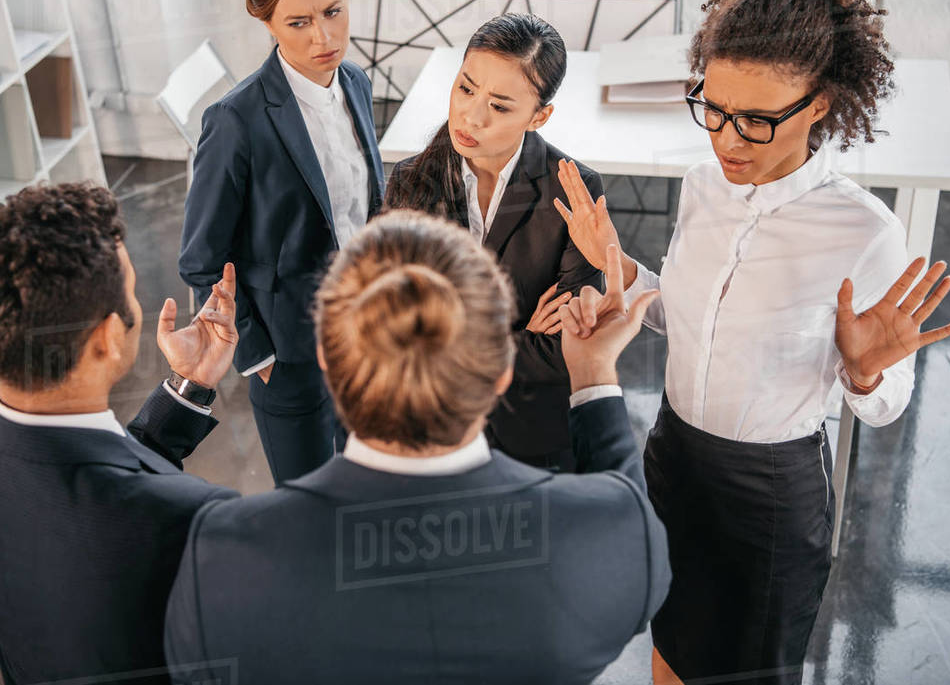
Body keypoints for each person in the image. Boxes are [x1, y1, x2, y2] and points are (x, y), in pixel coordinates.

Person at [553, 0, 950, 685]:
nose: (726, 139)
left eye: (755, 119)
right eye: (712, 110)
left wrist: (865, 372)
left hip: (767, 497)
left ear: (822, 104)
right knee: (669, 652)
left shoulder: (863, 230)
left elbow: (886, 405)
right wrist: (620, 268)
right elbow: (683, 319)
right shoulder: (702, 185)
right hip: (673, 460)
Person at [164, 211, 670, 685]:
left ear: (326, 360)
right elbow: (625, 517)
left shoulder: (224, 553)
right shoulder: (603, 536)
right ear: (502, 369)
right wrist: (593, 373)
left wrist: (185, 390)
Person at [0, 183, 243, 685]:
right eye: (132, 292)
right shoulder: (189, 521)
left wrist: (189, 384)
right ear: (108, 337)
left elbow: (80, 481)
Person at [179, 0, 385, 485]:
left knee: (366, 474)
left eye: (334, 11)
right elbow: (200, 259)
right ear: (266, 21)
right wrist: (259, 354)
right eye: (298, 22)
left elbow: (363, 208)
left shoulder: (356, 83)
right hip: (289, 351)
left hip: (365, 330)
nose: (324, 36)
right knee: (306, 499)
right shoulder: (236, 121)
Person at [385, 13, 603, 472]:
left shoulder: (574, 190)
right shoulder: (408, 183)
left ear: (539, 116)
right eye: (466, 88)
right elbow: (398, 332)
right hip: (434, 430)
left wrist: (451, 346)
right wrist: (520, 339)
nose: (472, 116)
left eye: (500, 107)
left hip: (533, 436)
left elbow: (570, 344)